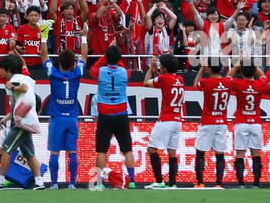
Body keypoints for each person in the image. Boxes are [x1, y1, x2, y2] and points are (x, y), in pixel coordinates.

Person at [0, 54, 45, 189]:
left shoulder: (15, 80)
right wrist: (7, 117)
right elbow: (20, 101)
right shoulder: (24, 78)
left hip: (22, 122)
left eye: (1, 69)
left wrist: (11, 87)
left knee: (5, 149)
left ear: (8, 69)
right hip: (26, 119)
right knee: (29, 153)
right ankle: (39, 182)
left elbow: (23, 88)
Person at [39, 40, 85, 189]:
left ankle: (54, 183)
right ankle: (72, 183)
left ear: (59, 63)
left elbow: (44, 56)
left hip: (57, 119)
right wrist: (84, 37)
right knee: (72, 151)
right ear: (73, 64)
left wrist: (44, 38)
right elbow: (84, 55)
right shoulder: (77, 73)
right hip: (72, 118)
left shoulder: (53, 73)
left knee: (55, 152)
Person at [90, 45, 135, 190]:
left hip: (105, 116)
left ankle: (100, 183)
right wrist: (115, 58)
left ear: (107, 58)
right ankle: (133, 181)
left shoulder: (100, 72)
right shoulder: (125, 72)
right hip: (121, 115)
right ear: (119, 59)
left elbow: (92, 70)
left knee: (102, 151)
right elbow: (121, 66)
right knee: (127, 149)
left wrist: (105, 56)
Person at [144, 53, 185, 189]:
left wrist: (151, 68)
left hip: (166, 119)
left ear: (165, 68)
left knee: (151, 149)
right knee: (172, 152)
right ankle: (172, 183)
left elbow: (146, 83)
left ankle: (159, 181)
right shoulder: (180, 79)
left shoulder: (163, 78)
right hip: (177, 120)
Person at [194, 61, 235, 188]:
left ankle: (200, 182)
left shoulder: (206, 82)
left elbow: (196, 84)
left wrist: (201, 69)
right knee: (220, 153)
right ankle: (218, 183)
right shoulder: (228, 82)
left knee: (200, 152)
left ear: (210, 68)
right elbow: (229, 77)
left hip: (207, 121)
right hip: (222, 122)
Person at [228, 62, 266, 189]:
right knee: (256, 153)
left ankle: (241, 184)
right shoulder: (259, 84)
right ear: (254, 70)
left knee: (240, 153)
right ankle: (256, 184)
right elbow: (263, 76)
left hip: (241, 122)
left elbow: (227, 78)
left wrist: (236, 66)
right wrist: (255, 66)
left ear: (242, 72)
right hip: (255, 123)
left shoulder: (238, 83)